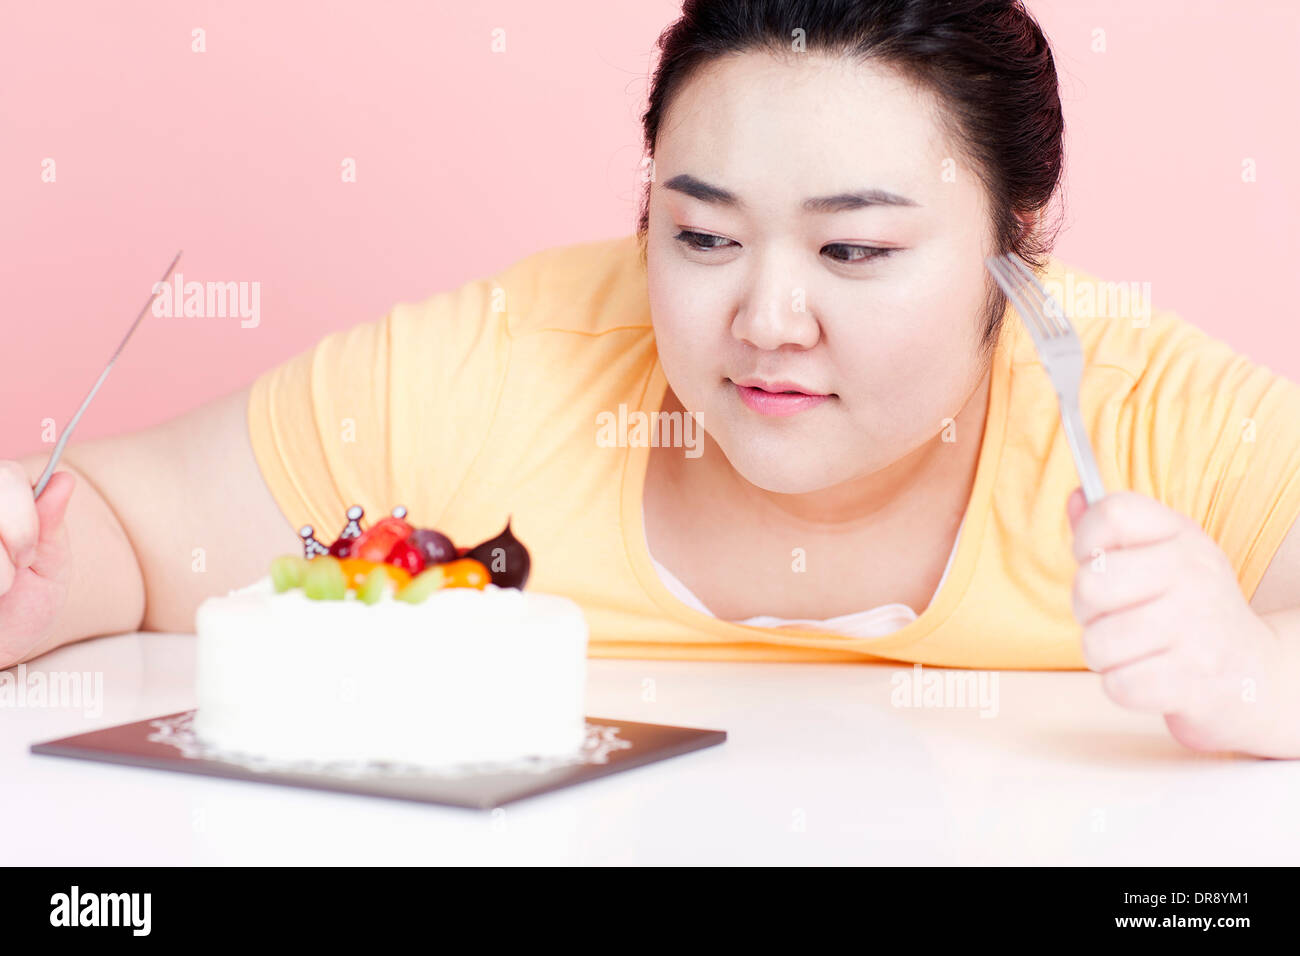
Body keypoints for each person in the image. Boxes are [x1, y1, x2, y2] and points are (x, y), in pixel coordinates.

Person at [4, 0, 1300, 756]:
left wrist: (1253, 674)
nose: (768, 320)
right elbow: (124, 530)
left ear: (1015, 250)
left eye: (854, 248)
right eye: (703, 238)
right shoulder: (508, 366)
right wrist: (33, 577)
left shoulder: (1140, 412)